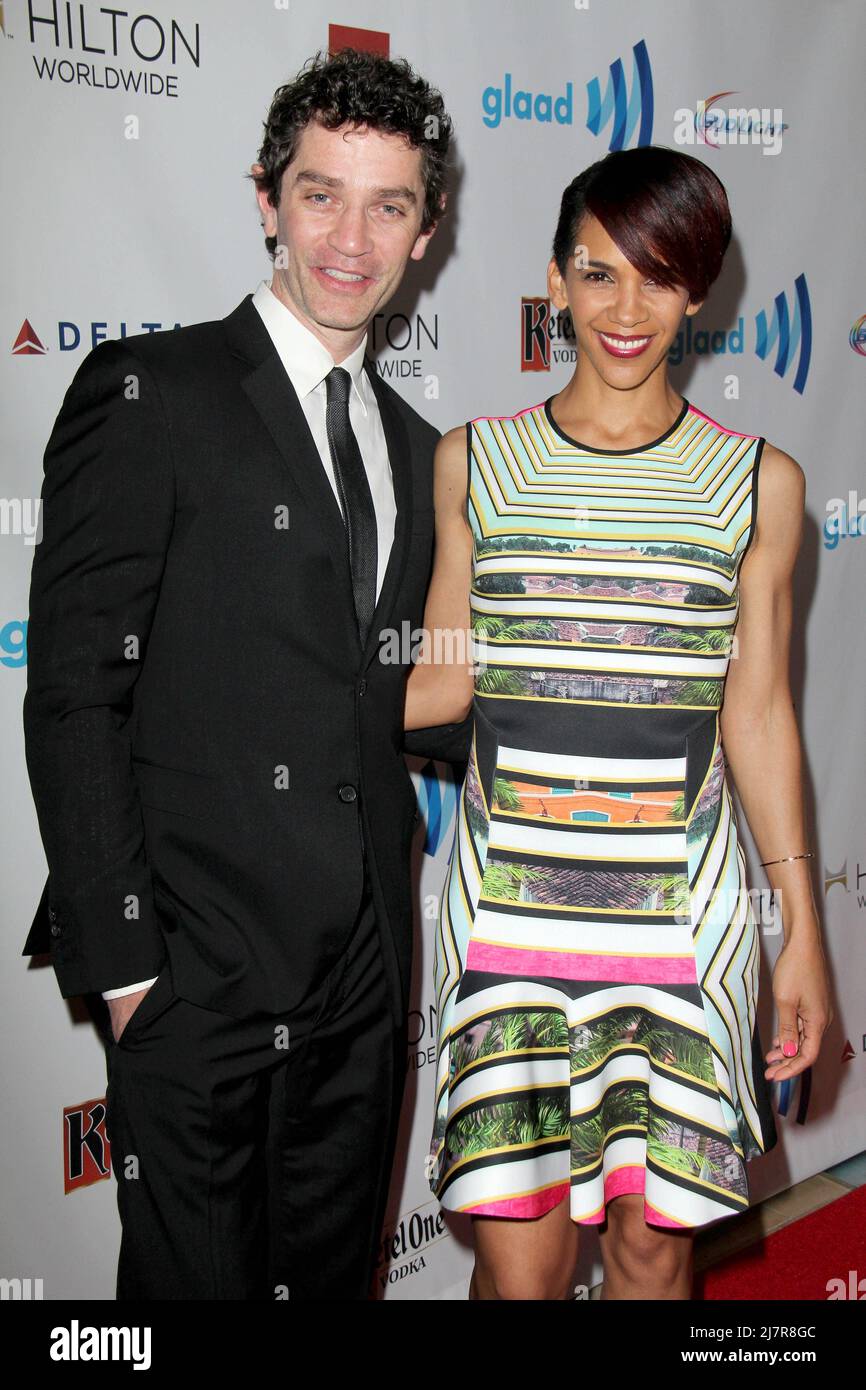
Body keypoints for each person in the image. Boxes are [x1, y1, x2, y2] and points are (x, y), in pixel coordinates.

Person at [22, 47, 470, 1301]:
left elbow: (397, 693)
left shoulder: (422, 449)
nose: (349, 235)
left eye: (388, 204)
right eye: (319, 192)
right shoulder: (151, 391)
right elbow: (72, 693)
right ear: (264, 197)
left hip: (364, 984)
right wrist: (131, 980)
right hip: (196, 981)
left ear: (426, 232)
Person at [406, 145, 833, 1300]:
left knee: (652, 1255)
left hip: (682, 927)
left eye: (658, 275)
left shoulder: (759, 484)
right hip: (505, 919)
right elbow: (439, 680)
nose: (626, 309)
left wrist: (797, 928)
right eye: (597, 274)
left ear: (697, 290)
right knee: (520, 1260)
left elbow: (754, 714)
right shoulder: (472, 463)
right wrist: (247, 692)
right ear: (553, 281)